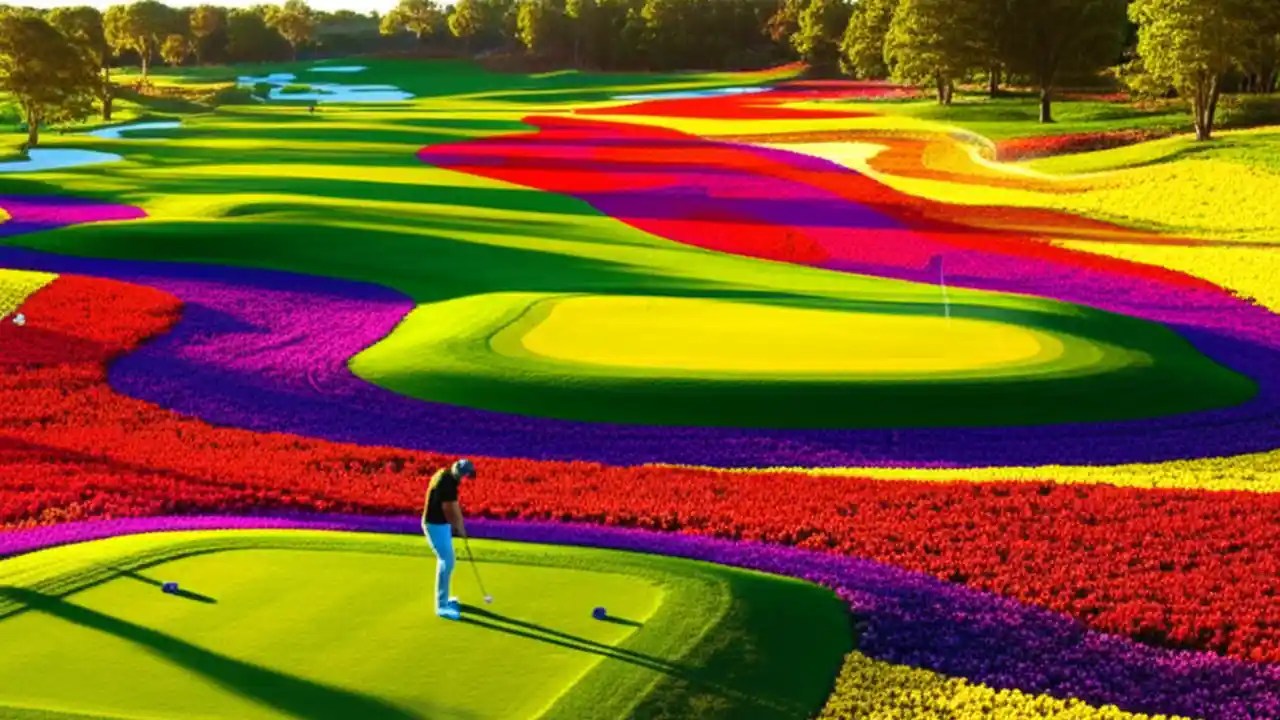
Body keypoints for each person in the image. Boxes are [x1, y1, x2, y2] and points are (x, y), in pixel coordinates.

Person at [422, 458, 476, 620]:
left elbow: (453, 508)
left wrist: (458, 525)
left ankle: (444, 600)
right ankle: (441, 606)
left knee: (448, 560)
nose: (465, 479)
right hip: (435, 525)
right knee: (447, 561)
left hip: (440, 524)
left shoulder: (446, 475)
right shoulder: (448, 484)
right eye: (466, 475)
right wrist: (460, 528)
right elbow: (449, 509)